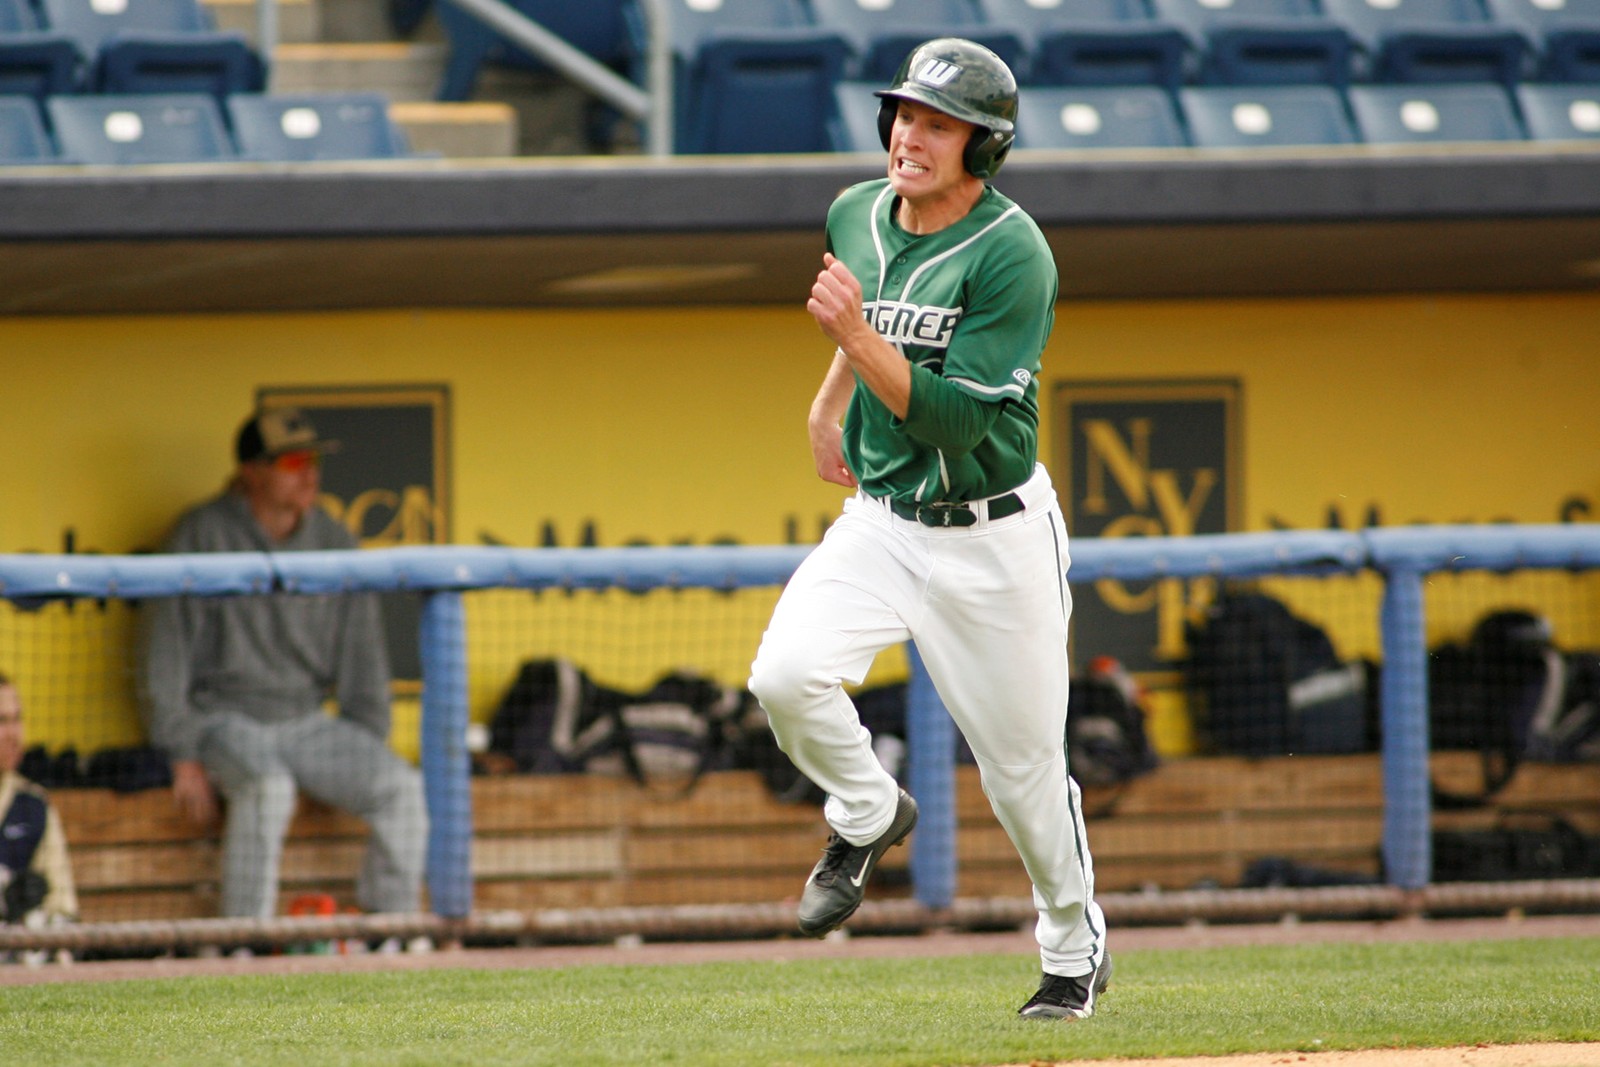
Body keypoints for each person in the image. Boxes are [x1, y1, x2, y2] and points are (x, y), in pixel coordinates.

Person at [747, 39, 1111, 1020]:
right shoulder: (855, 210)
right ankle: (866, 809)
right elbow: (863, 324)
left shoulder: (1012, 252)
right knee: (783, 674)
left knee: (1024, 777)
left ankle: (1071, 950)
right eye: (905, 113)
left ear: (981, 147)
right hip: (883, 519)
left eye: (938, 123)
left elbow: (956, 418)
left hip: (992, 534)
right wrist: (828, 401)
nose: (911, 133)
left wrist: (853, 344)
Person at [137, 407, 427, 920]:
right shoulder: (201, 534)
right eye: (292, 462)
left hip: (307, 724)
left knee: (402, 789)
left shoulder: (334, 540)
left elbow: (363, 655)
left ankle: (389, 931)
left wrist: (363, 743)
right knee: (269, 788)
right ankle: (244, 941)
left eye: (312, 460)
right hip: (224, 719)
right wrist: (180, 752)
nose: (310, 473)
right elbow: (165, 653)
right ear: (252, 471)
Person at [0, 672, 78, 930]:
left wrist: (33, 912)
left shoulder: (33, 804)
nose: (13, 734)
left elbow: (63, 909)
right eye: (2, 721)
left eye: (17, 719)